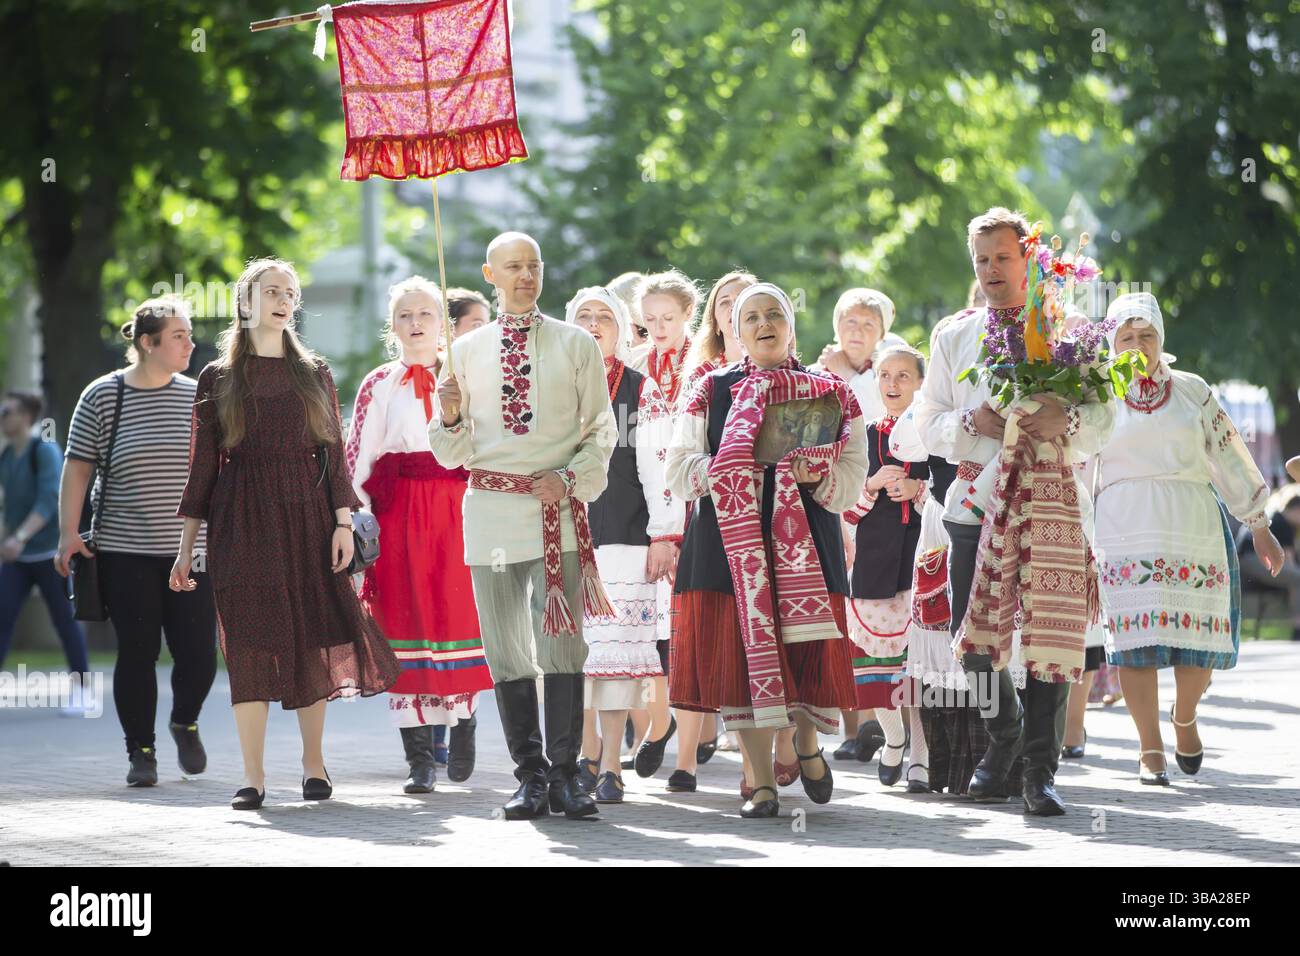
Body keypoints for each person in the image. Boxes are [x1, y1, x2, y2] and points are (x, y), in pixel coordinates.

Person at [908, 207, 1116, 816]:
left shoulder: (1070, 329)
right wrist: (971, 423)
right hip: (975, 503)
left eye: (1003, 257)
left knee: (1052, 635)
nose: (993, 269)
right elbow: (926, 422)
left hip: (1052, 504)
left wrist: (1067, 420)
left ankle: (1038, 773)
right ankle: (1008, 739)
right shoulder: (955, 335)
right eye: (982, 260)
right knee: (972, 641)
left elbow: (1107, 421)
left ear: (1028, 258)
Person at [173, 258, 400, 810]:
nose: (283, 300)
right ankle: (252, 777)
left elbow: (333, 452)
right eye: (271, 291)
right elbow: (202, 467)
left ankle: (313, 764)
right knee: (248, 645)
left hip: (309, 518)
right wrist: (186, 551)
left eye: (290, 293)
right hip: (240, 520)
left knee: (311, 640)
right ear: (245, 302)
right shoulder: (217, 378)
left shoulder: (313, 371)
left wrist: (343, 522)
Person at [429, 232, 617, 821]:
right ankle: (529, 776)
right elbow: (447, 453)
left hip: (554, 509)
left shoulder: (575, 343)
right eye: (513, 267)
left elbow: (601, 431)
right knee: (506, 648)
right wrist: (452, 413)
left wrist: (569, 478)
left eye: (534, 265)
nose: (526, 276)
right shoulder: (461, 352)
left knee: (562, 643)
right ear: (490, 273)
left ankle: (567, 777)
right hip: (490, 513)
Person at [667, 282, 867, 818]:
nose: (762, 324)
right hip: (727, 544)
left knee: (806, 650)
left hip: (807, 539)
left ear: (792, 325)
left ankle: (805, 745)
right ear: (735, 333)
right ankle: (760, 784)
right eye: (749, 317)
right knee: (738, 656)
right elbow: (679, 468)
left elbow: (853, 473)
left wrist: (817, 474)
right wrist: (724, 468)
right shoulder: (710, 390)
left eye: (773, 313)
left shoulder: (831, 391)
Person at [1091, 292, 1283, 783]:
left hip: (1190, 523)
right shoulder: (1096, 395)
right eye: (1126, 337)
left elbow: (1230, 454)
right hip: (1124, 528)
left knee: (1196, 643)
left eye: (1146, 335)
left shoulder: (1193, 390)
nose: (1138, 345)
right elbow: (1079, 463)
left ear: (1161, 339)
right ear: (1112, 344)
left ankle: (1185, 716)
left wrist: (1260, 524)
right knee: (1134, 642)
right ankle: (1149, 748)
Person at [56, 297, 219, 784]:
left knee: (198, 656)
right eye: (178, 336)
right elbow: (78, 467)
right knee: (138, 651)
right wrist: (67, 532)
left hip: (192, 551)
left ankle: (184, 721)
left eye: (189, 334)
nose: (190, 343)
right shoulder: (104, 396)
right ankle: (140, 752)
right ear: (147, 344)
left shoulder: (199, 397)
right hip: (124, 550)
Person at [345, 277, 494, 793]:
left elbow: (488, 445)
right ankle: (419, 759)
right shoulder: (379, 384)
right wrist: (356, 521)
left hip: (457, 510)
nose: (415, 323)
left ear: (442, 325)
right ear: (393, 326)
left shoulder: (469, 377)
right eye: (405, 315)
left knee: (456, 615)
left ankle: (466, 720)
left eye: (426, 314)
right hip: (402, 514)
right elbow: (357, 460)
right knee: (404, 623)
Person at [566, 286, 683, 801]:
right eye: (583, 316)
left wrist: (663, 534)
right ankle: (585, 754)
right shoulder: (550, 385)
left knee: (619, 657)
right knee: (573, 657)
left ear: (620, 328)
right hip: (563, 538)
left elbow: (660, 470)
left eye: (604, 318)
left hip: (624, 538)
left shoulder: (640, 388)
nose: (594, 324)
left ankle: (611, 764)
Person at [842, 345, 945, 787]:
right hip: (873, 560)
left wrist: (917, 489)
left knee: (915, 663)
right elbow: (843, 510)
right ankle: (894, 735)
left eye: (904, 376)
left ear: (921, 383)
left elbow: (952, 500)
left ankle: (920, 755)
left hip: (920, 559)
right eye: (885, 375)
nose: (893, 384)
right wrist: (869, 486)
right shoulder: (863, 436)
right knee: (872, 663)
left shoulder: (935, 436)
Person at [675, 269, 756, 788]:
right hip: (707, 514)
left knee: (755, 636)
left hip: (769, 521)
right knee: (707, 635)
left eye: (745, 302)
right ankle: (685, 758)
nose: (732, 310)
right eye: (724, 302)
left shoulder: (788, 373)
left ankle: (762, 764)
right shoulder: (702, 379)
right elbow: (679, 459)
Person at [0, 391, 92, 715]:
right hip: (20, 558)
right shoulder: (7, 456)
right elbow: (8, 507)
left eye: (5, 410)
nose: (1, 416)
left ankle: (83, 691)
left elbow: (47, 500)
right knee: (2, 616)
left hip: (50, 554)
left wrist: (19, 537)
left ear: (25, 416)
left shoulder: (45, 451)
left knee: (64, 621)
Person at [815, 287, 909, 422]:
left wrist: (846, 373)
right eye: (851, 321)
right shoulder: (817, 372)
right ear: (837, 326)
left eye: (868, 324)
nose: (857, 331)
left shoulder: (894, 374)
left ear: (882, 334)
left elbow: (887, 416)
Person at [1237, 485, 1300, 641]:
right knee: (1298, 578)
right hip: (1252, 560)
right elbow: (1290, 563)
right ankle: (1298, 627)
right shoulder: (1283, 523)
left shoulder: (1273, 515)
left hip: (1245, 559)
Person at [637, 269, 699, 408]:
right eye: (650, 319)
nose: (659, 327)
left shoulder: (705, 361)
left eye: (668, 318)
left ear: (688, 312)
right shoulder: (634, 363)